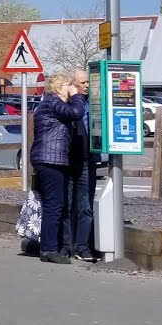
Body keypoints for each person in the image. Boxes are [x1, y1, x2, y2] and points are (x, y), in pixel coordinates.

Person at [30, 72, 87, 264]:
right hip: (50, 159)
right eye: (68, 85)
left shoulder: (50, 103)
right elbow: (77, 113)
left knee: (53, 205)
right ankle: (49, 249)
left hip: (50, 158)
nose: (71, 87)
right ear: (57, 88)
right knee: (54, 205)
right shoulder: (53, 102)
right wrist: (77, 96)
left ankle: (48, 248)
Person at [64, 69, 99, 262]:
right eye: (82, 83)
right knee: (67, 205)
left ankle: (82, 247)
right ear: (73, 84)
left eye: (87, 83)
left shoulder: (93, 104)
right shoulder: (66, 104)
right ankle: (66, 246)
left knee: (85, 206)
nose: (86, 86)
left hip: (87, 161)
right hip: (68, 161)